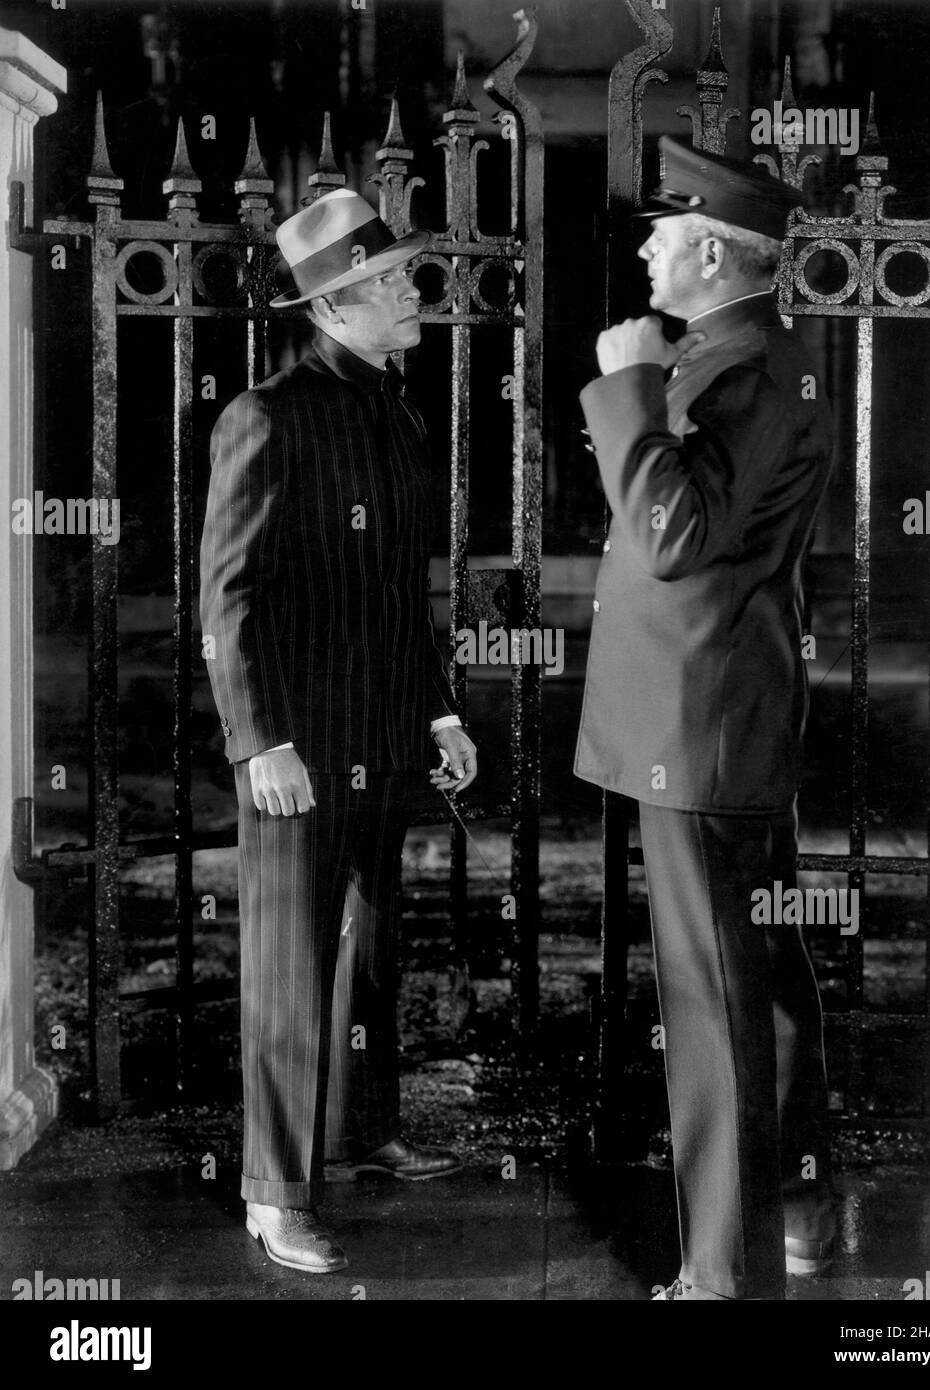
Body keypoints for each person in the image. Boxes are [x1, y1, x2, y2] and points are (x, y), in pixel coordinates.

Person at [576, 138, 836, 1301]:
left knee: (711, 993)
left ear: (715, 253)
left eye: (662, 232)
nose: (642, 244)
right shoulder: (747, 355)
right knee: (759, 976)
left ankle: (722, 1270)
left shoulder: (746, 370)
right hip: (706, 714)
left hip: (697, 725)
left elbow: (673, 537)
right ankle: (803, 1212)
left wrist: (625, 385)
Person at [200, 187, 477, 1274]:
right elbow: (226, 604)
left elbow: (398, 593)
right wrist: (257, 741)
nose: (417, 294)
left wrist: (438, 707)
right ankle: (274, 1194)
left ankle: (362, 1133)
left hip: (379, 735)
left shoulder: (393, 408)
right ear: (339, 302)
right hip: (295, 753)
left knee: (367, 949)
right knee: (287, 968)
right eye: (399, 281)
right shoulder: (263, 416)